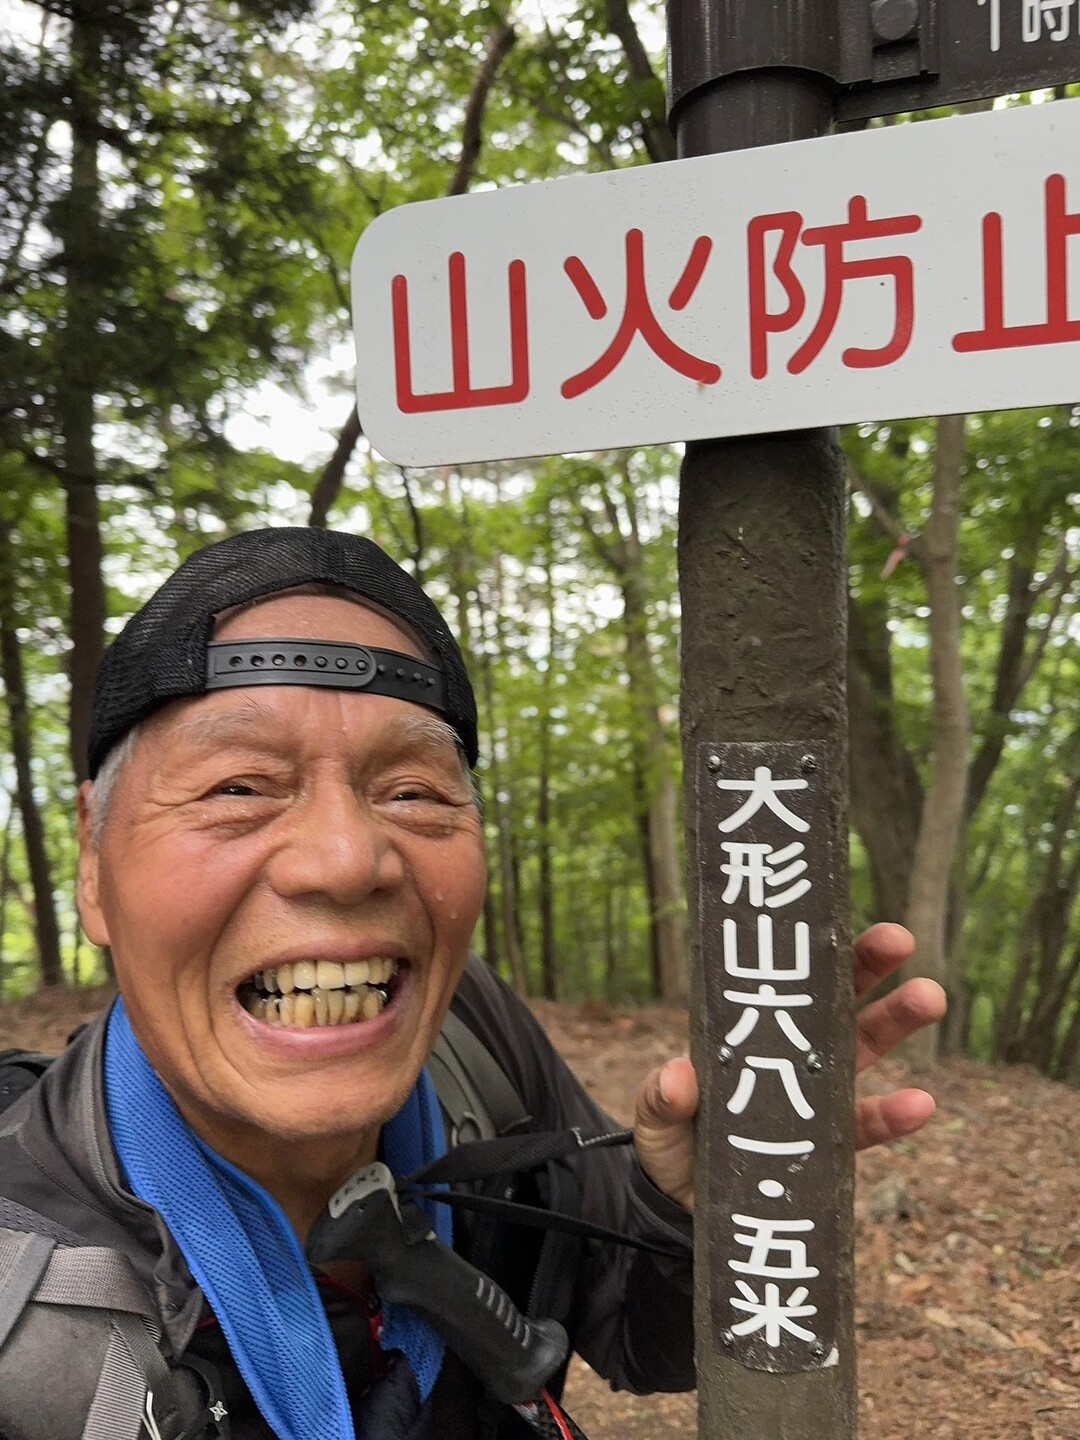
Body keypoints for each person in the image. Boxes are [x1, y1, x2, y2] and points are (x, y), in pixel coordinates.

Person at [0, 527, 945, 1440]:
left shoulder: (468, 1034)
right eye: (239, 786)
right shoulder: (27, 1291)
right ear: (93, 862)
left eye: (413, 792)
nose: (346, 858)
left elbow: (646, 1341)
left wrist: (699, 1209)